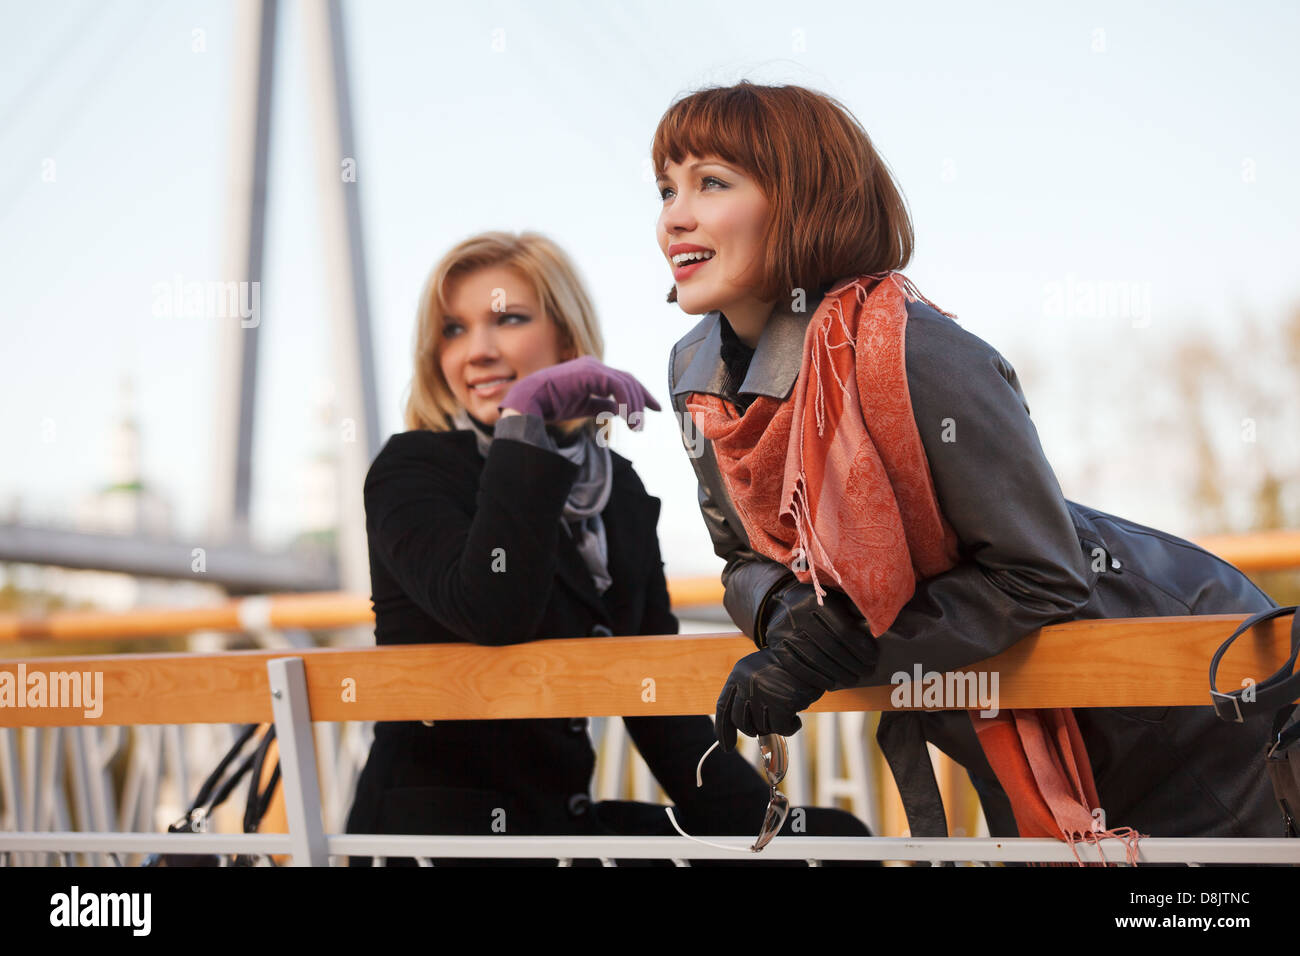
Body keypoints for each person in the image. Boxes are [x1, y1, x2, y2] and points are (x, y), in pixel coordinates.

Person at [653, 81, 1283, 843]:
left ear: (803, 202)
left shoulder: (920, 354)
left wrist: (846, 646)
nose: (673, 216)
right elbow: (741, 559)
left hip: (1181, 695)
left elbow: (1042, 572)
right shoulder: (697, 375)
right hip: (994, 703)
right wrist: (799, 630)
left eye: (711, 183)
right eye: (665, 189)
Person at [345, 230, 871, 865]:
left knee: (840, 844)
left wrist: (770, 826)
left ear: (567, 340)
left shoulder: (615, 490)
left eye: (507, 319)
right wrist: (526, 416)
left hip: (551, 832)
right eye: (453, 330)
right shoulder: (413, 468)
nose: (476, 351)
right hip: (436, 841)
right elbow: (492, 609)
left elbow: (655, 706)